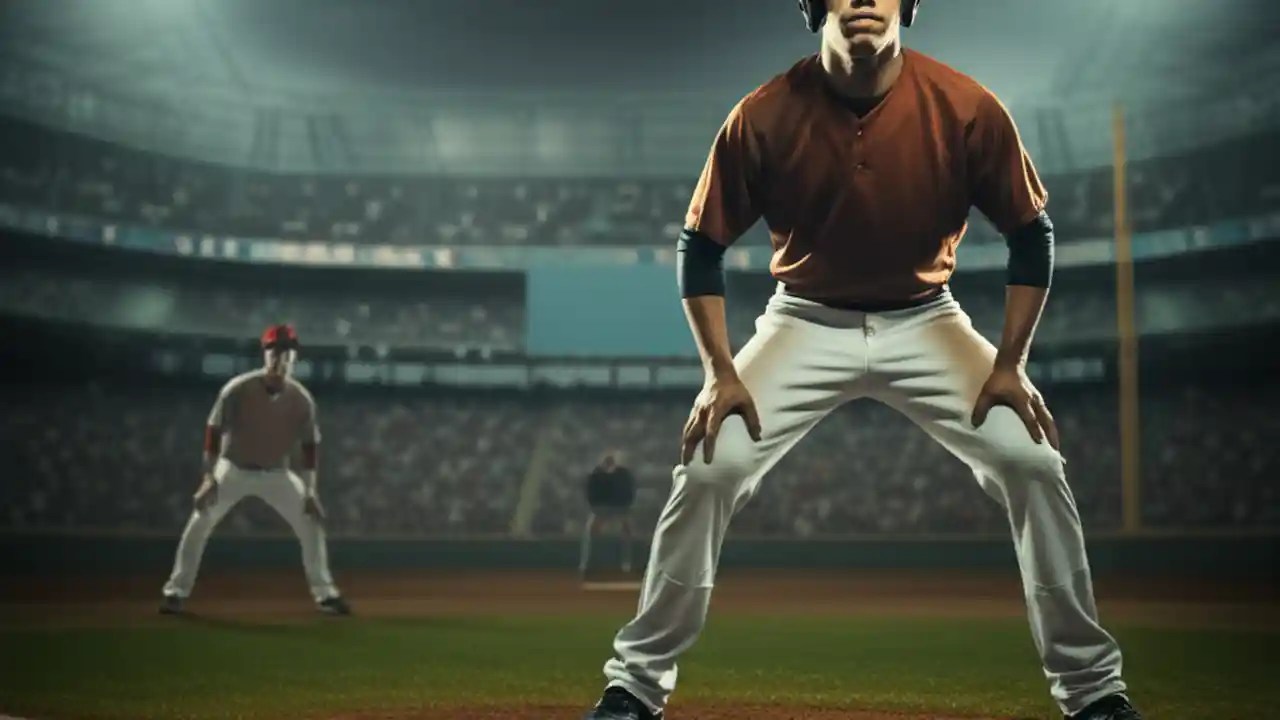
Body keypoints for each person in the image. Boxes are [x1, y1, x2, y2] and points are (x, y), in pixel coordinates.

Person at [583, 2, 1139, 719]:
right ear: (815, 6)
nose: (863, 0)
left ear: (908, 5)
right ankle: (636, 684)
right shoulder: (765, 113)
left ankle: (1094, 692)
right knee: (709, 465)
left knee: (1032, 462)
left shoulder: (967, 106)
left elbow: (1032, 235)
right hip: (804, 320)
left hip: (926, 320)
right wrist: (720, 374)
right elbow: (701, 247)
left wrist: (1010, 363)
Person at [159, 324, 351, 616]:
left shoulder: (301, 400)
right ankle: (175, 592)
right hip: (232, 469)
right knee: (200, 521)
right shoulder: (238, 389)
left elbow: (310, 448)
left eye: (287, 351)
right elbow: (213, 430)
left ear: (295, 357)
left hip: (276, 474)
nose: (281, 357)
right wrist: (209, 477)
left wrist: (311, 491)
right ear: (265, 353)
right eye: (275, 350)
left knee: (311, 521)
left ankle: (325, 594)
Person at [579, 451, 638, 577]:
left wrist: (625, 506)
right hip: (602, 509)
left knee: (627, 531)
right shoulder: (596, 474)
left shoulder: (622, 474)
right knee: (591, 531)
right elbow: (590, 492)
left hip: (619, 508)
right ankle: (587, 565)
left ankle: (626, 564)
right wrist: (596, 507)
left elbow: (629, 491)